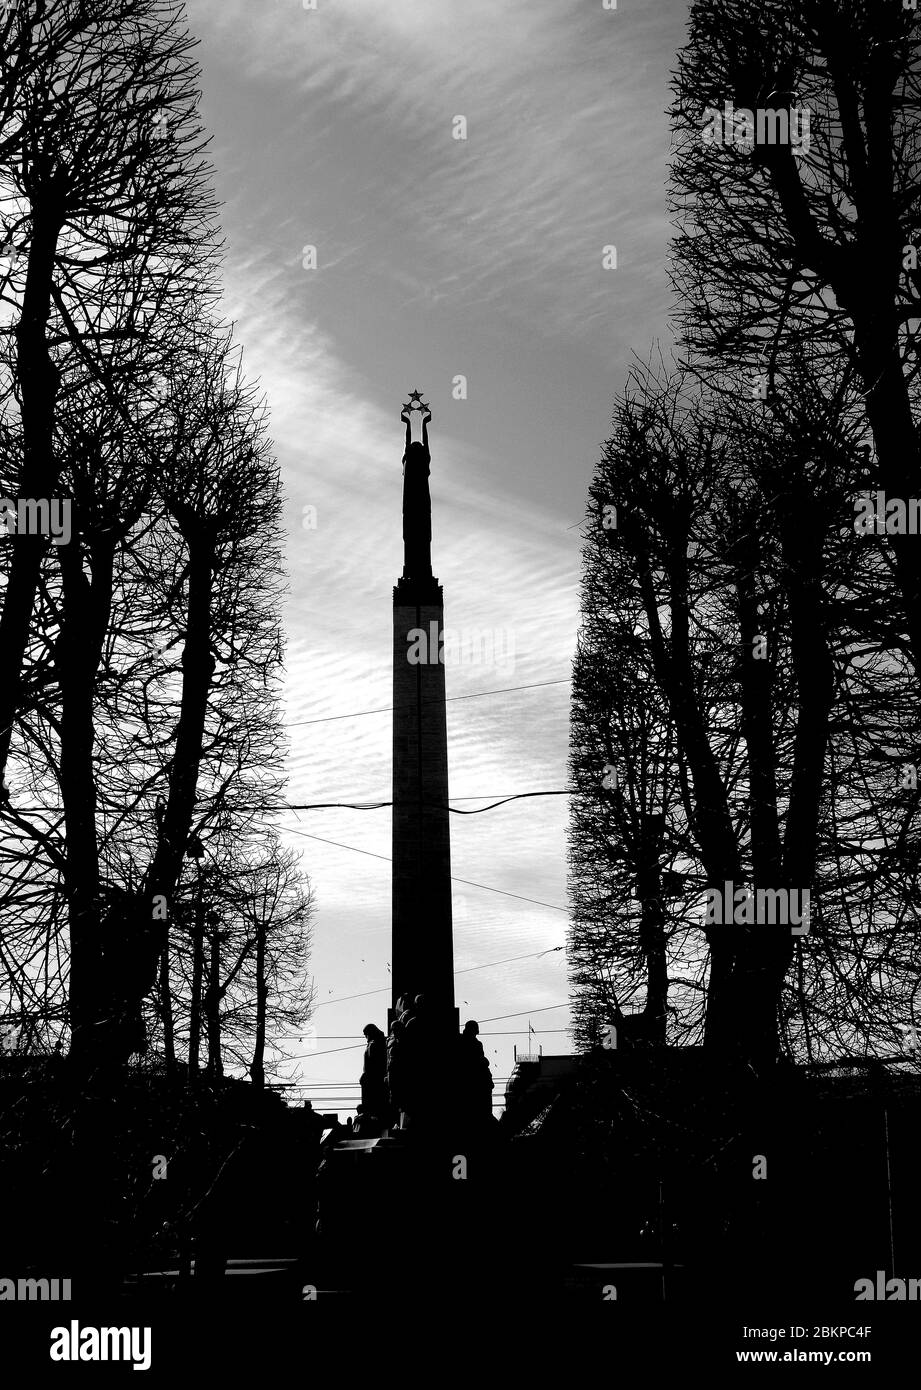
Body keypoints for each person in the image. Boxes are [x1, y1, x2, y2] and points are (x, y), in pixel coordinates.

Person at [360, 1023, 388, 1119]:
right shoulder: (374, 1043)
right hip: (370, 1078)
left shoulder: (376, 1044)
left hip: (374, 1079)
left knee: (373, 1104)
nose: (365, 1037)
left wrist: (366, 1075)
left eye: (366, 1034)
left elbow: (374, 1064)